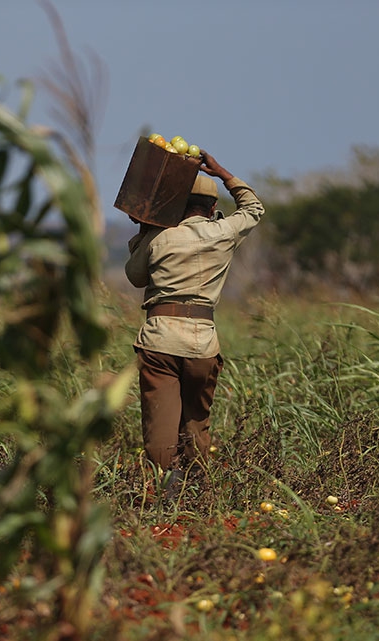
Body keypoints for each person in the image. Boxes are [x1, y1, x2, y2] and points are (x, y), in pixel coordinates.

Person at [124, 151, 266, 482]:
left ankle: (165, 487)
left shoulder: (161, 236)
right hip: (203, 342)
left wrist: (146, 229)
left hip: (160, 340)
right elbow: (254, 209)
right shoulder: (225, 231)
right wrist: (223, 173)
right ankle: (197, 487)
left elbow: (135, 276)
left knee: (160, 423)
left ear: (176, 204)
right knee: (196, 422)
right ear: (211, 208)